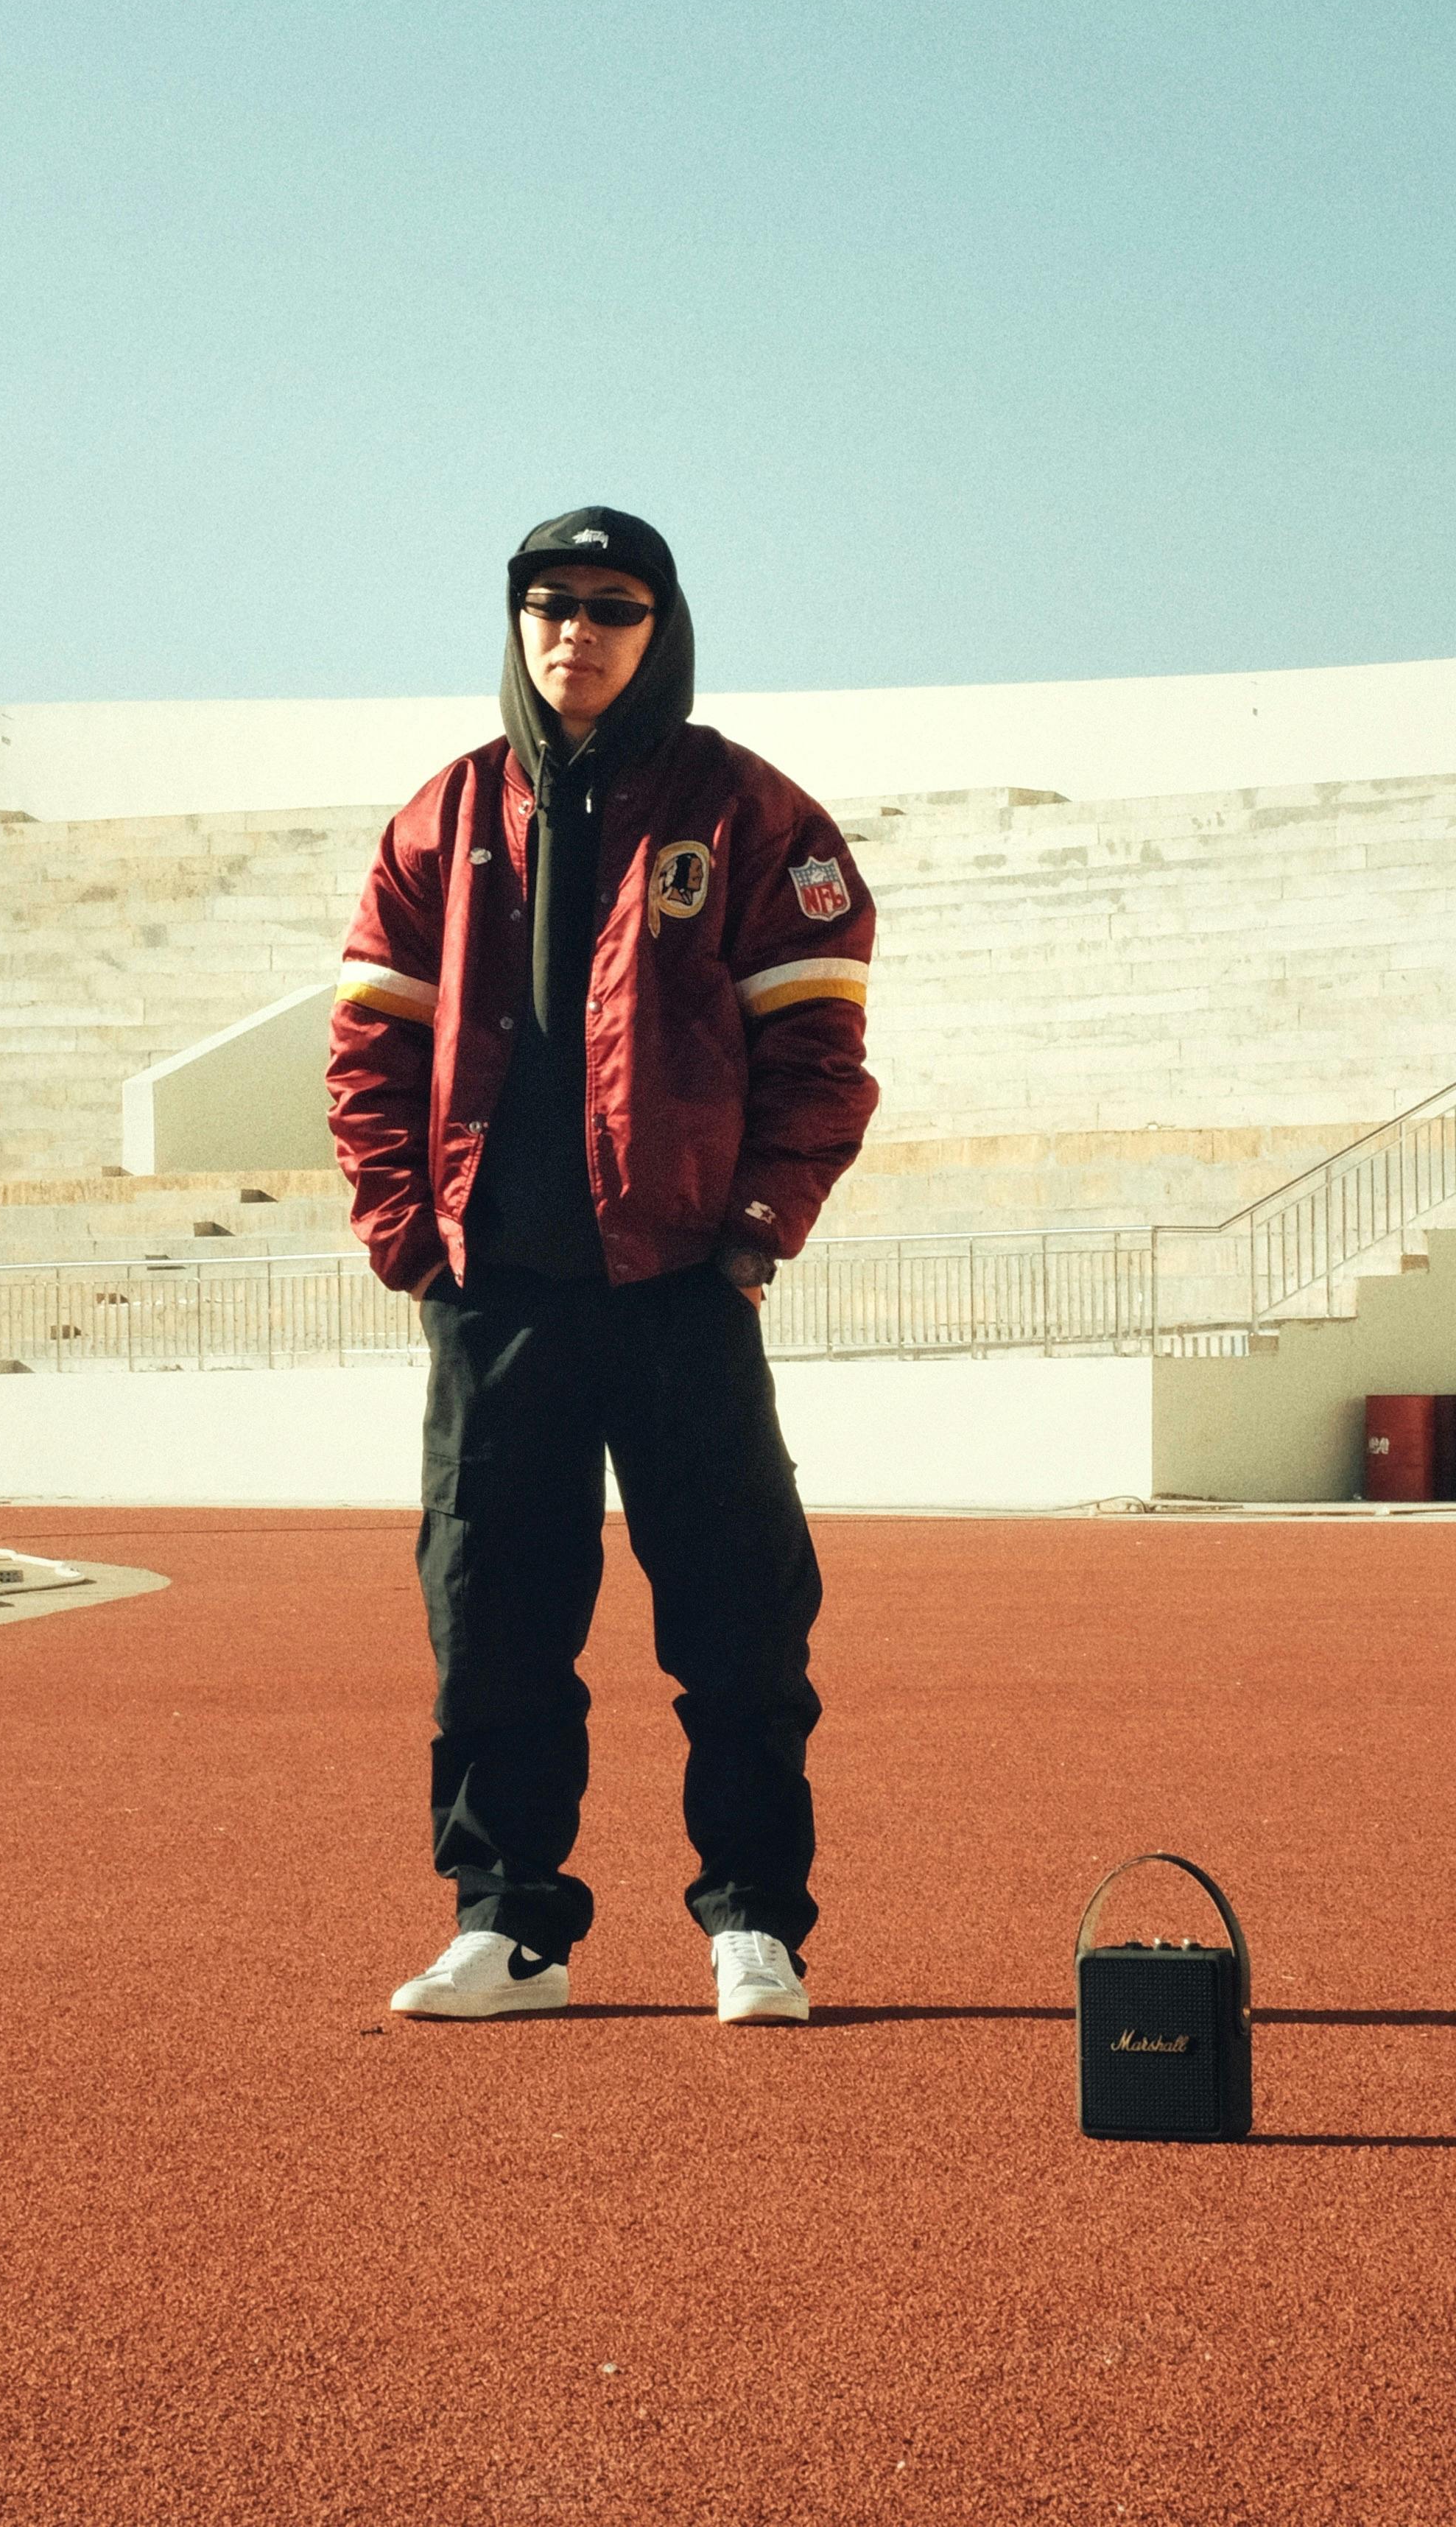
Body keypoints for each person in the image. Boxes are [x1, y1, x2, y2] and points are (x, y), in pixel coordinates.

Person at [326, 507, 878, 2025]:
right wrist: (408, 1237)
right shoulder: (442, 818)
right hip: (498, 1290)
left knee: (739, 1614)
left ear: (662, 625)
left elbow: (820, 1056)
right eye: (548, 601)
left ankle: (754, 1919)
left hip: (682, 1282)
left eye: (612, 605)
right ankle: (511, 1923)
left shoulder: (750, 811)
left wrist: (754, 1234)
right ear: (515, 621)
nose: (576, 629)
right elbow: (369, 1051)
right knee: (491, 1611)